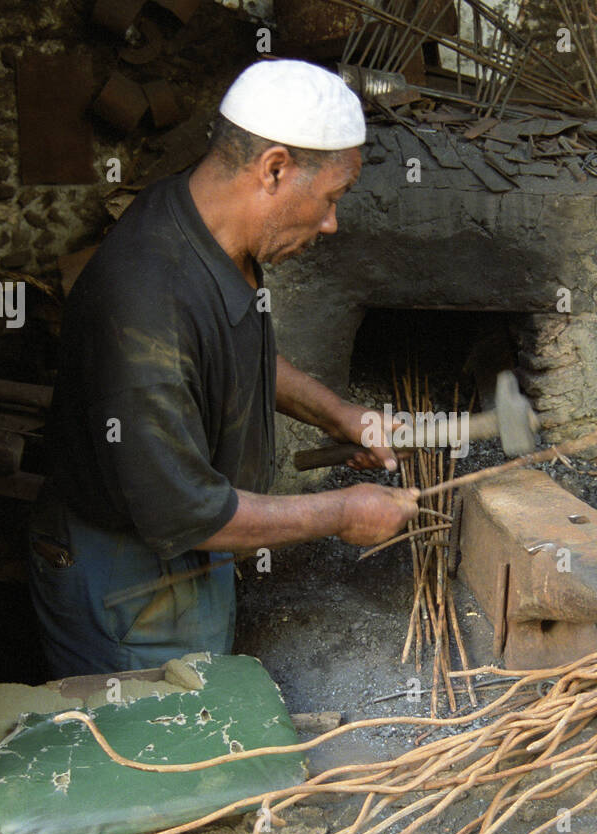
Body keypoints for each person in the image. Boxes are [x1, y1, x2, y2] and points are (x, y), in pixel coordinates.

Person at [27, 59, 418, 679]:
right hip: (127, 583)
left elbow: (238, 354)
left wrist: (340, 414)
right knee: (160, 758)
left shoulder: (200, 221)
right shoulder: (146, 302)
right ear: (275, 168)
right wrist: (345, 513)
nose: (331, 223)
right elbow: (188, 513)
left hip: (189, 550)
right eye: (330, 199)